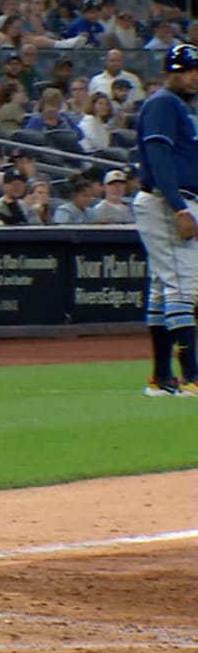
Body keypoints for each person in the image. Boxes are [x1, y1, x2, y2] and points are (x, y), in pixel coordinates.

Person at [132, 43, 198, 396]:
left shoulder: (180, 106)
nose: (194, 76)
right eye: (188, 70)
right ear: (171, 71)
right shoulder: (162, 103)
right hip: (165, 201)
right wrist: (179, 209)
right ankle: (191, 377)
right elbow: (158, 160)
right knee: (183, 287)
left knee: (163, 289)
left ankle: (162, 377)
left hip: (173, 201)